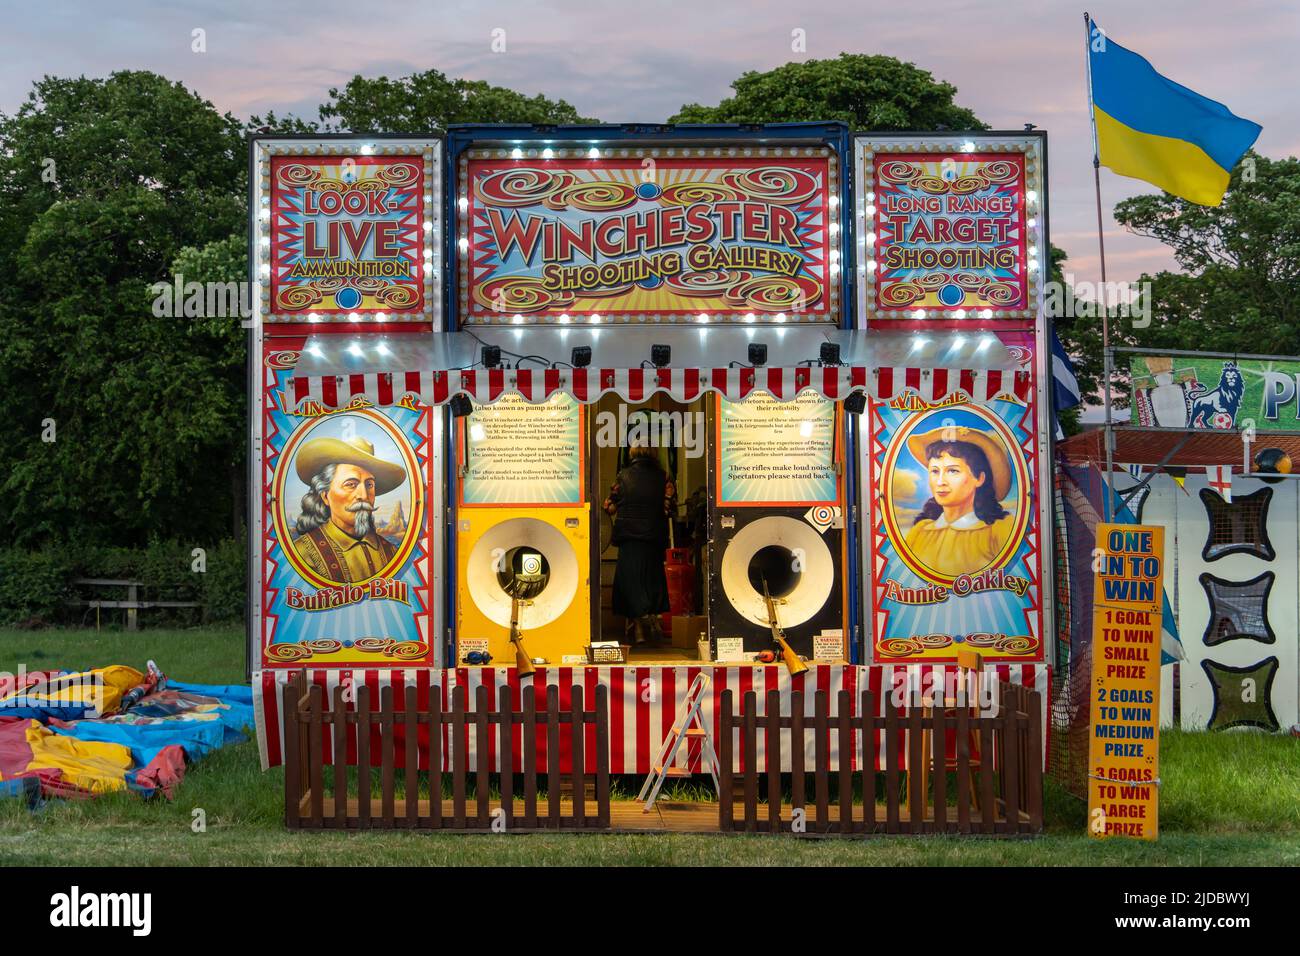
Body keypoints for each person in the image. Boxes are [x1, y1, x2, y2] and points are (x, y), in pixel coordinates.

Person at [902, 426, 1016, 579]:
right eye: (935, 471)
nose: (940, 482)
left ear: (979, 479)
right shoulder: (919, 533)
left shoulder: (998, 530)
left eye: (953, 471)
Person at [290, 434, 406, 584]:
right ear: (325, 496)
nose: (363, 495)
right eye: (351, 484)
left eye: (369, 485)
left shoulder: (391, 552)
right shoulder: (303, 554)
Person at [603, 443, 676, 645]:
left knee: (631, 582)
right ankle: (653, 622)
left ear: (632, 454)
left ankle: (637, 628)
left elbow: (609, 507)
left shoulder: (623, 476)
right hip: (653, 538)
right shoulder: (663, 478)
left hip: (629, 539)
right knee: (651, 579)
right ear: (654, 453)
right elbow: (669, 507)